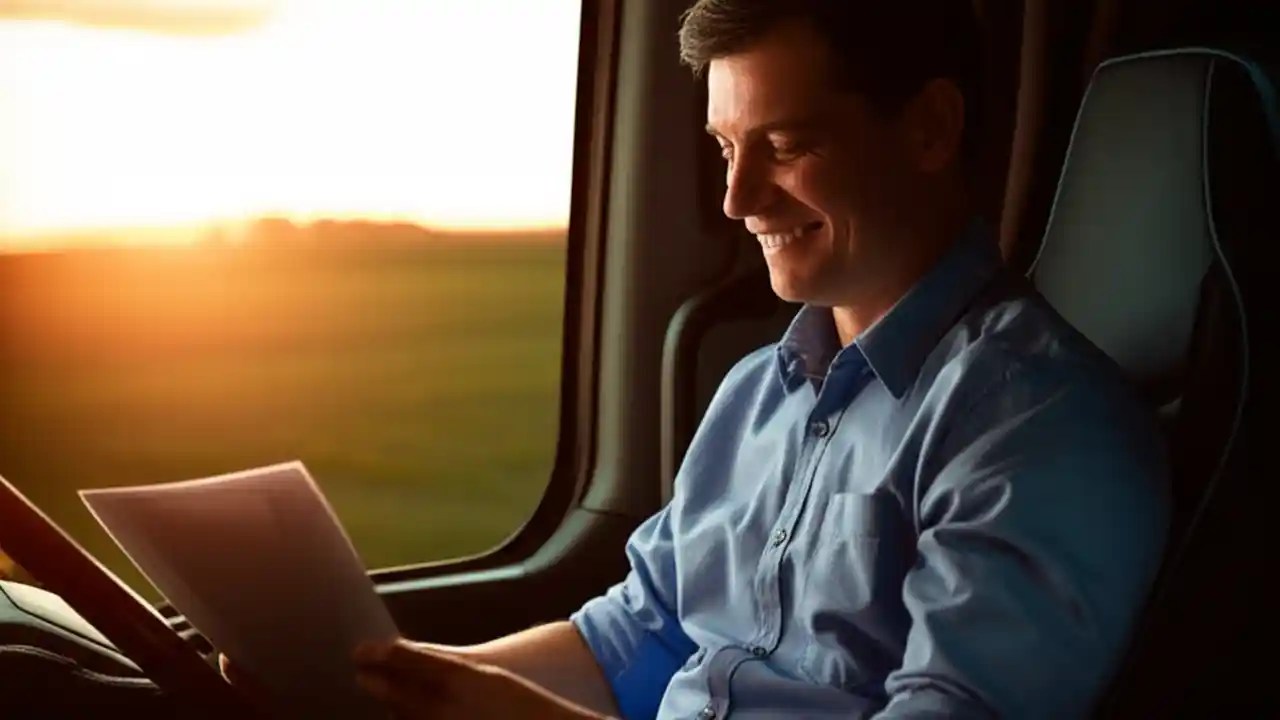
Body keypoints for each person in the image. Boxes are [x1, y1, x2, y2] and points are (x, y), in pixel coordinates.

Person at [227, 1, 1171, 717]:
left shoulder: (1035, 422)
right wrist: (397, 679)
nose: (738, 199)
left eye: (785, 145)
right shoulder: (757, 396)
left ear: (928, 128)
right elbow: (635, 638)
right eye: (725, 148)